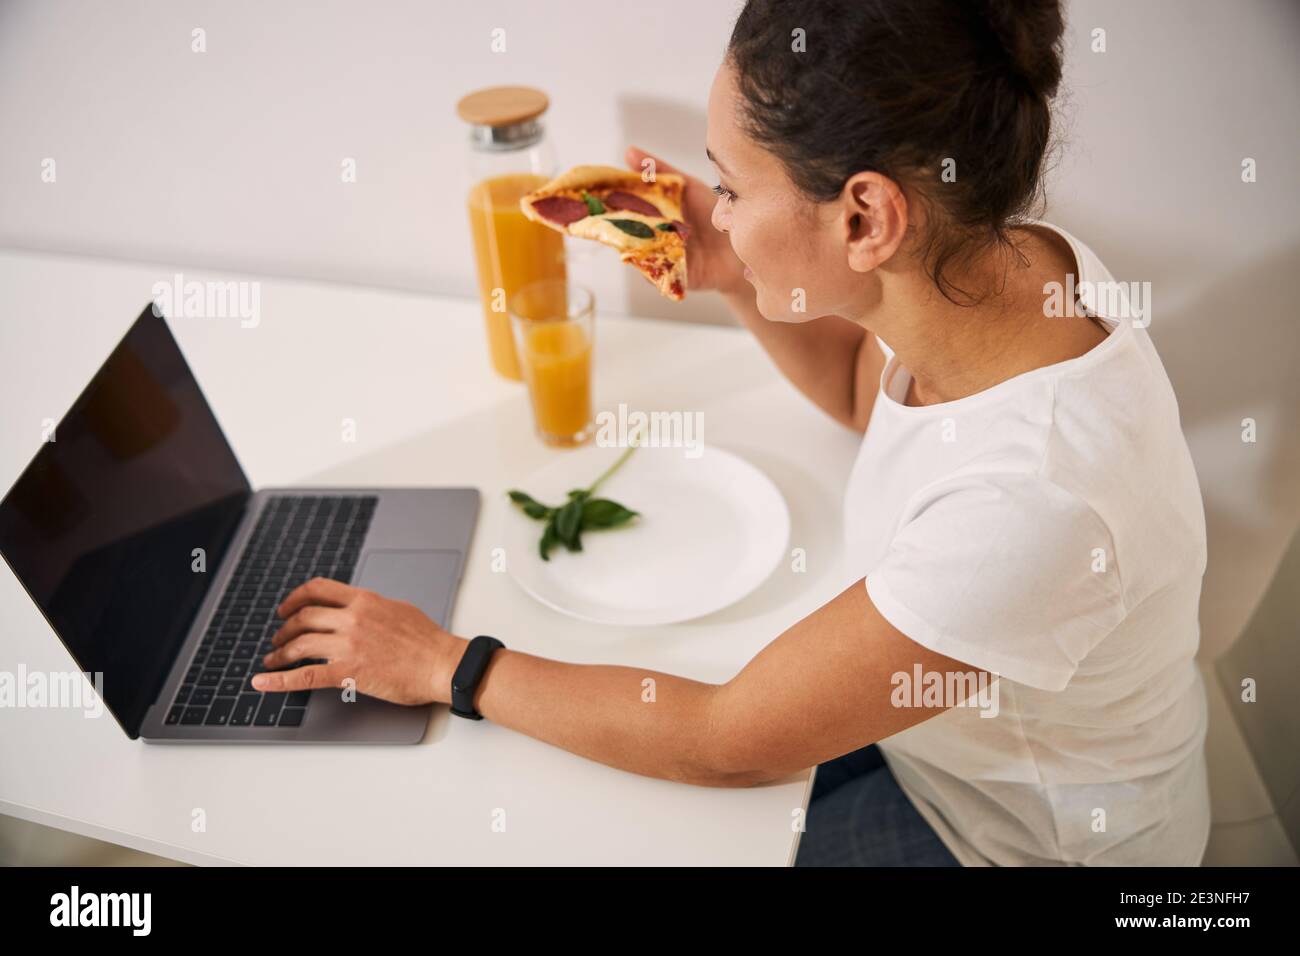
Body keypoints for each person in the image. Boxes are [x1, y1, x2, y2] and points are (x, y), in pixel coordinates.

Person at [252, 0, 1211, 866]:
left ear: (866, 216)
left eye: (732, 188)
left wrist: (443, 664)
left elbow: (724, 744)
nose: (715, 210)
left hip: (999, 839)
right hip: (938, 745)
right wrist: (727, 269)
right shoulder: (1004, 264)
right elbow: (855, 389)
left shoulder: (1030, 502)